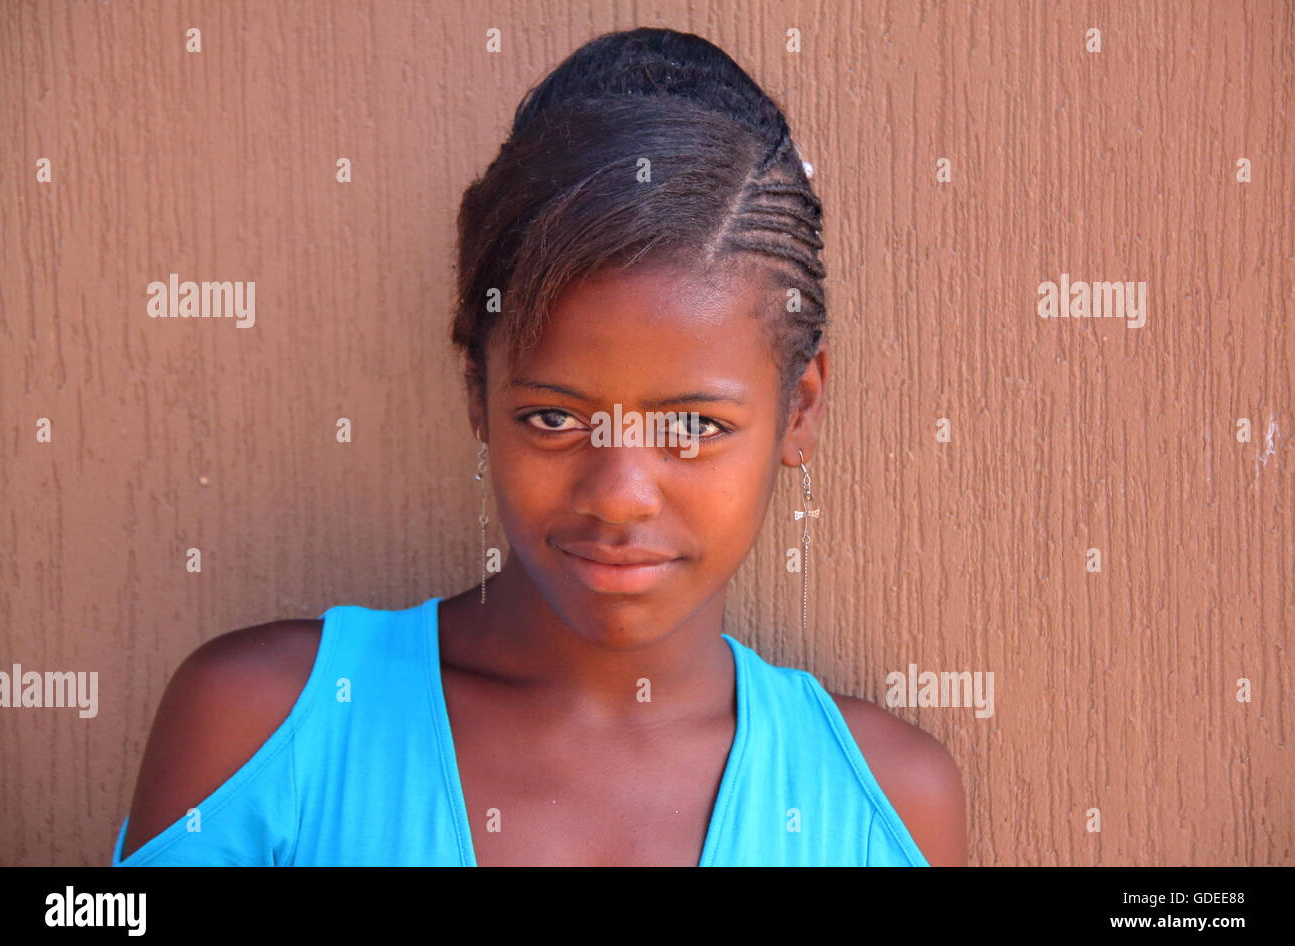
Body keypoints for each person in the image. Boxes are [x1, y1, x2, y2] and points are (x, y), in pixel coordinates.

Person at [113, 26, 966, 867]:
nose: (621, 493)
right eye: (555, 418)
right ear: (478, 397)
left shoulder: (885, 807)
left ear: (799, 410)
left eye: (693, 426)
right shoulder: (264, 730)